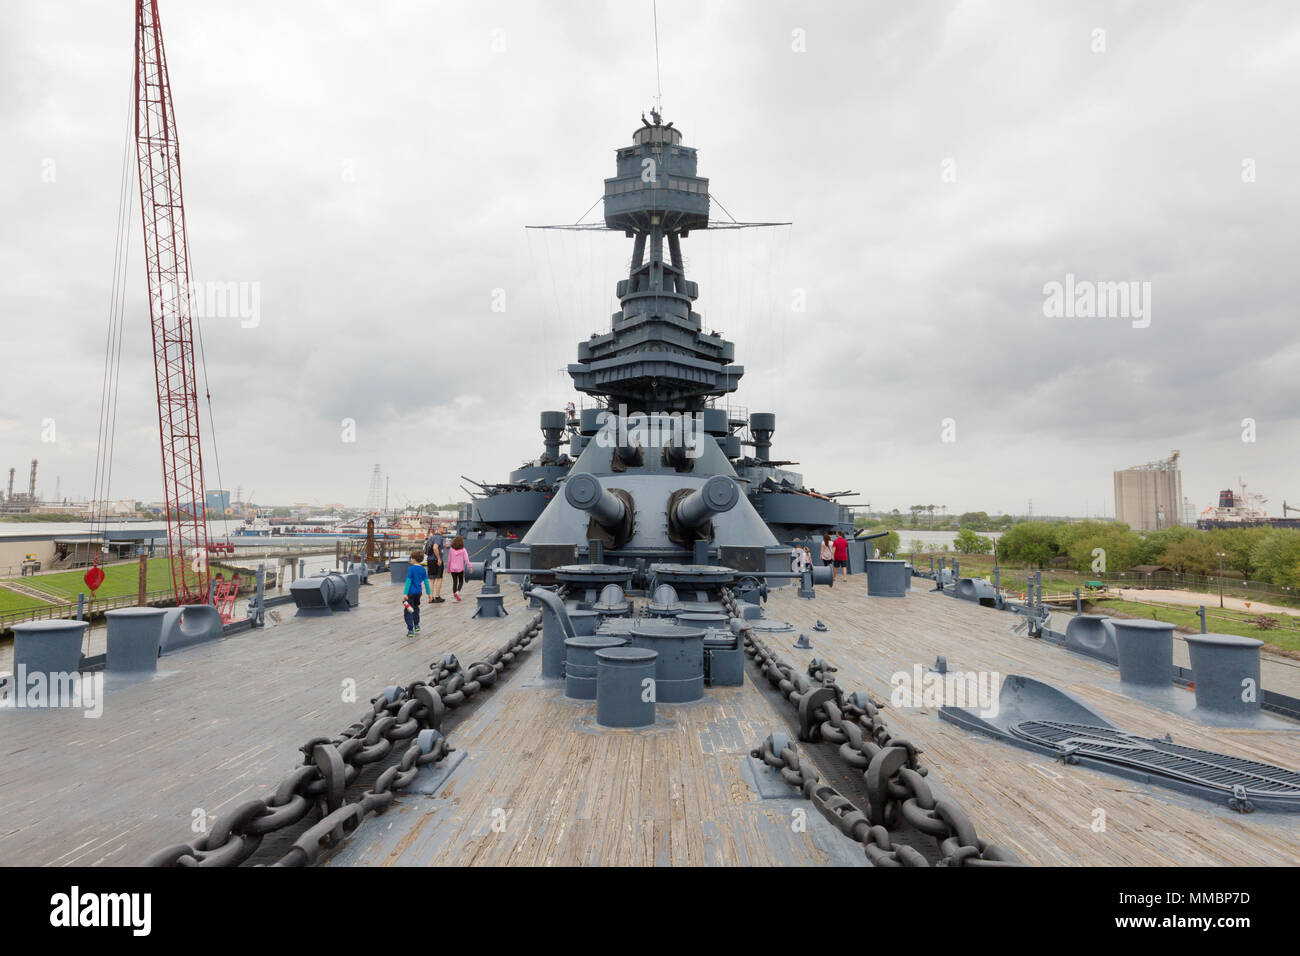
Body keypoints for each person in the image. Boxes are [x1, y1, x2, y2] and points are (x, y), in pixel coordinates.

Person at [402, 549, 431, 637]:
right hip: (418, 592)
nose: (410, 560)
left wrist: (405, 593)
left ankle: (410, 630)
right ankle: (417, 625)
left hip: (410, 593)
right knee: (416, 608)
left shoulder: (411, 569)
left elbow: (408, 582)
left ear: (414, 559)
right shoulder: (423, 569)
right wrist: (429, 594)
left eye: (411, 558)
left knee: (408, 611)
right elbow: (426, 582)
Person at [446, 535, 472, 602]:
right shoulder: (463, 550)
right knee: (461, 581)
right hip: (460, 568)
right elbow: (466, 559)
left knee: (454, 582)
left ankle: (454, 596)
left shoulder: (451, 549)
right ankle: (457, 592)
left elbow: (449, 560)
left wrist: (448, 569)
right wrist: (470, 567)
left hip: (452, 569)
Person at [424, 525, 446, 602]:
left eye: (445, 528)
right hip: (436, 561)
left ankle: (430, 598)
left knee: (431, 580)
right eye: (443, 527)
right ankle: (437, 597)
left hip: (430, 560)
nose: (445, 529)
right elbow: (435, 547)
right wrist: (439, 559)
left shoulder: (433, 537)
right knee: (439, 578)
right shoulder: (439, 537)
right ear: (439, 528)